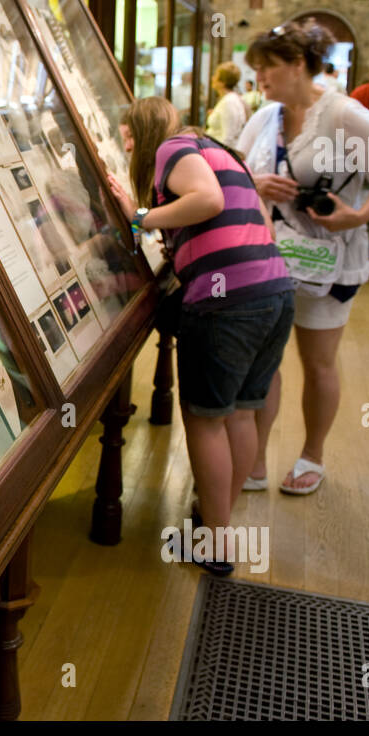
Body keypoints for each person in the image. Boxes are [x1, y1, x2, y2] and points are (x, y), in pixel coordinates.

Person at [107, 97, 294, 575]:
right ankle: (218, 523)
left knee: (206, 419)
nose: (127, 147)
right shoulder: (217, 149)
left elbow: (207, 200)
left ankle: (214, 541)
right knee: (242, 412)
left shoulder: (172, 148)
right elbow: (252, 221)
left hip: (227, 302)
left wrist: (138, 216)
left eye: (128, 137)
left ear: (146, 131)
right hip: (273, 290)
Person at [236, 20, 369, 496]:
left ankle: (314, 454)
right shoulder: (264, 118)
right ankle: (254, 461)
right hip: (271, 259)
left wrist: (358, 216)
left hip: (329, 261)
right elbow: (234, 170)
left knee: (319, 361)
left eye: (268, 67)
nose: (261, 77)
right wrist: (256, 184)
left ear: (297, 64)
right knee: (263, 364)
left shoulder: (344, 115)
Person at [205, 62, 248, 148]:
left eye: (215, 76)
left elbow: (228, 138)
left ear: (222, 82)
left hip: (220, 152)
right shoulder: (228, 100)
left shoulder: (229, 102)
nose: (212, 78)